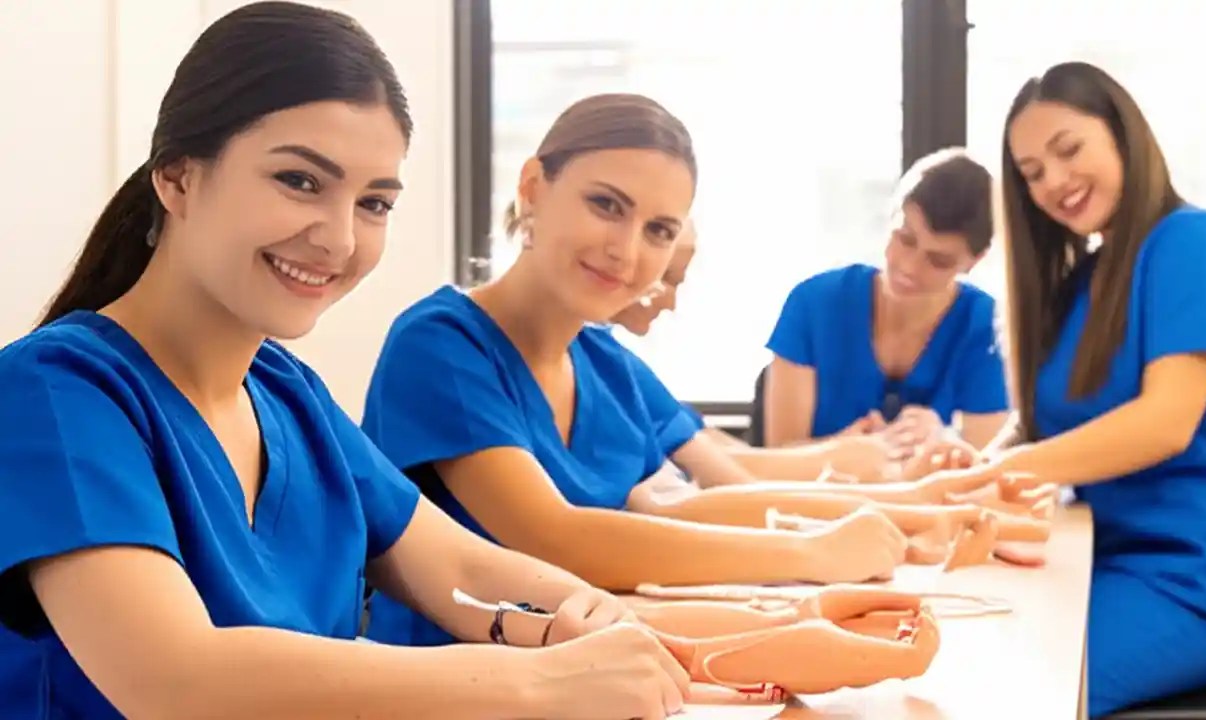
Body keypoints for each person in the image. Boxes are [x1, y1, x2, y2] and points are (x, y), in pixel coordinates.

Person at [0, 4, 694, 718]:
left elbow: (457, 566)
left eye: (374, 203)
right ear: (177, 178)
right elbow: (175, 678)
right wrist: (541, 682)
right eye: (300, 181)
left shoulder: (288, 394)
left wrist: (602, 625)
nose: (338, 238)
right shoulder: (54, 393)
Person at [360, 93, 958, 648]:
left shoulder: (605, 365)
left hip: (602, 669)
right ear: (534, 188)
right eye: (605, 205)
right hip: (463, 687)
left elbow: (677, 509)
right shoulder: (441, 344)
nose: (627, 249)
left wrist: (906, 516)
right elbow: (552, 538)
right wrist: (810, 552)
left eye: (659, 231)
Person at [978, 60, 1206, 716]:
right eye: (1032, 174)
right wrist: (973, 466)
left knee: (1011, 690)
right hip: (1103, 563)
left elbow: (1163, 422)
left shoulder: (1196, 241)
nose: (1055, 181)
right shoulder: (1079, 284)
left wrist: (999, 471)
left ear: (1123, 134)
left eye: (1069, 150)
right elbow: (1042, 423)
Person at [610, 219, 970, 486]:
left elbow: (720, 454)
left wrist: (880, 467)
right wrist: (842, 460)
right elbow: (723, 474)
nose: (671, 302)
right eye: (668, 280)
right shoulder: (608, 369)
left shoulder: (625, 373)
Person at [763, 148, 1010, 455]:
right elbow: (776, 457)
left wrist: (945, 441)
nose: (908, 267)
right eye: (905, 239)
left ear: (974, 261)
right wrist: (847, 451)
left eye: (938, 261)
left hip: (931, 503)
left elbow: (988, 464)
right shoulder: (814, 304)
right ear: (892, 215)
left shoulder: (987, 327)